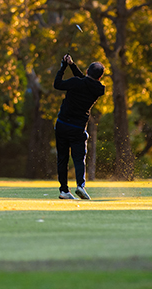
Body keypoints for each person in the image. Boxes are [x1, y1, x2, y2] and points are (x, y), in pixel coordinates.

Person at [53, 53, 105, 200]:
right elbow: (86, 81)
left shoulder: (75, 82)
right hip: (78, 128)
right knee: (79, 158)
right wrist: (72, 65)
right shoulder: (99, 89)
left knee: (62, 158)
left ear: (87, 71)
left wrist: (63, 67)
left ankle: (64, 190)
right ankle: (80, 185)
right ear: (100, 77)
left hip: (62, 125)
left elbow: (57, 84)